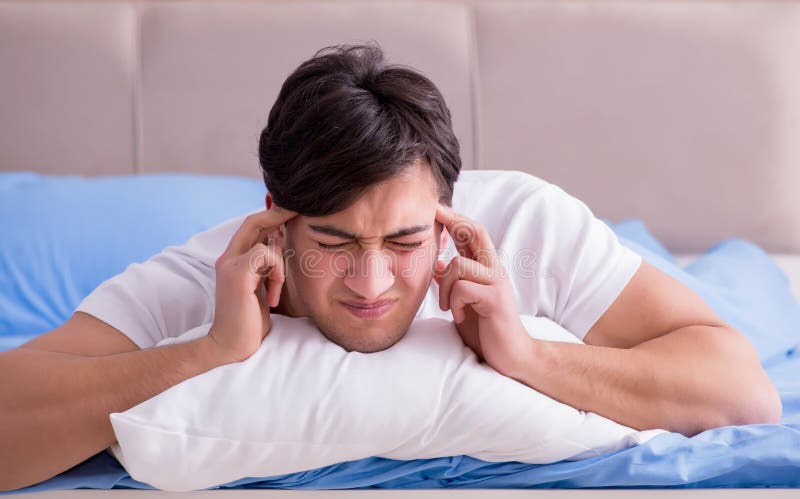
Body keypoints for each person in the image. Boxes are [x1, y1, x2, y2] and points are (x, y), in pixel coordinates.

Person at [0, 43, 780, 492]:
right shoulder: (209, 271)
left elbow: (744, 390)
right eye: (334, 243)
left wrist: (530, 356)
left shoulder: (526, 223)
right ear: (276, 216)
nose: (371, 285)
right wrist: (206, 353)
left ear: (448, 210)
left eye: (406, 243)